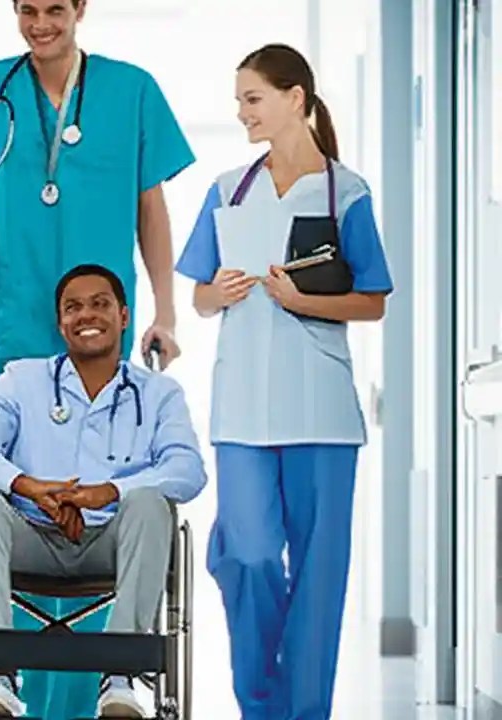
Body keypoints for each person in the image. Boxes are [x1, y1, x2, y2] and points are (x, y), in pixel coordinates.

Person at [0, 2, 194, 714]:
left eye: (54, 8)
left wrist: (165, 312)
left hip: (100, 328)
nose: (41, 23)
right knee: (18, 513)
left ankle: (110, 687)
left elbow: (152, 207)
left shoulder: (130, 90)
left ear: (80, 10)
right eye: (28, 10)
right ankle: (3, 686)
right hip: (16, 330)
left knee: (112, 506)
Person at [174, 43, 394, 720]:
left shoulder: (345, 192)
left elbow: (373, 299)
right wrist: (222, 293)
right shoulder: (226, 190)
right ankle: (262, 704)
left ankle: (303, 713)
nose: (242, 113)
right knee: (247, 556)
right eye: (239, 100)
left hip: (322, 414)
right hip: (242, 411)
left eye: (253, 99)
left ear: (295, 98)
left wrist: (303, 302)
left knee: (319, 581)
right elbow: (199, 300)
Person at [0, 263, 207, 719]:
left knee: (150, 503)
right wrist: (28, 486)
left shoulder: (160, 393)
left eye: (100, 304)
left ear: (124, 317)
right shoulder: (22, 380)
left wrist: (109, 492)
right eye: (73, 308)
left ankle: (120, 680)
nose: (87, 315)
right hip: (31, 534)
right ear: (60, 323)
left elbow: (188, 470)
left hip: (113, 542)